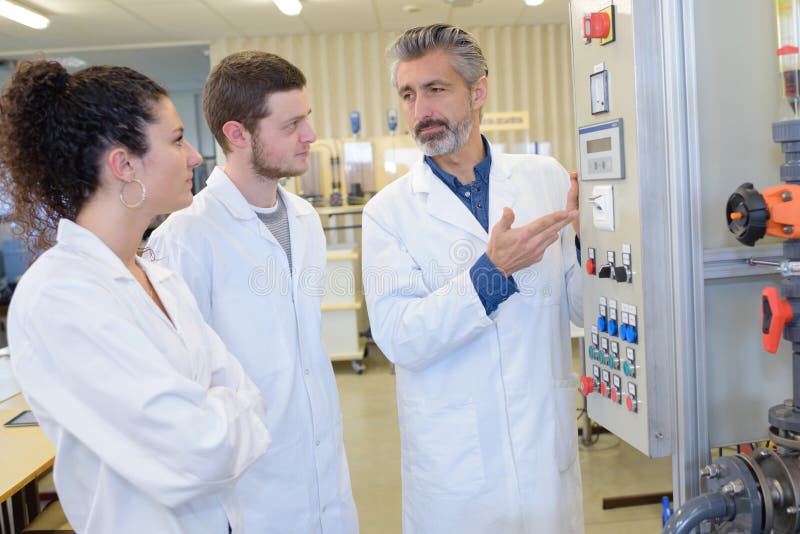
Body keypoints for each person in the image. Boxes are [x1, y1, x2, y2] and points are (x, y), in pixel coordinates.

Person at [0, 60, 271, 534]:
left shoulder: (156, 276)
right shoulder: (60, 296)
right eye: (177, 140)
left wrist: (220, 413)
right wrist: (222, 410)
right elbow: (199, 450)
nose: (194, 156)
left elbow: (249, 399)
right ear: (124, 165)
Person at [362, 24, 583, 533]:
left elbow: (580, 307)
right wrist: (491, 274)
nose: (420, 110)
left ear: (478, 91)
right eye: (408, 94)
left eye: (436, 89)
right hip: (455, 469)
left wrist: (593, 244)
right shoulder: (388, 213)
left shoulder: (544, 177)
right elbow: (400, 337)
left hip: (542, 450)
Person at [148, 51, 358, 534]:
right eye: (291, 125)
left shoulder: (305, 221)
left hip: (325, 471)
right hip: (249, 491)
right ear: (238, 135)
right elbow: (183, 385)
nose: (310, 135)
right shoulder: (185, 238)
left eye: (307, 118)